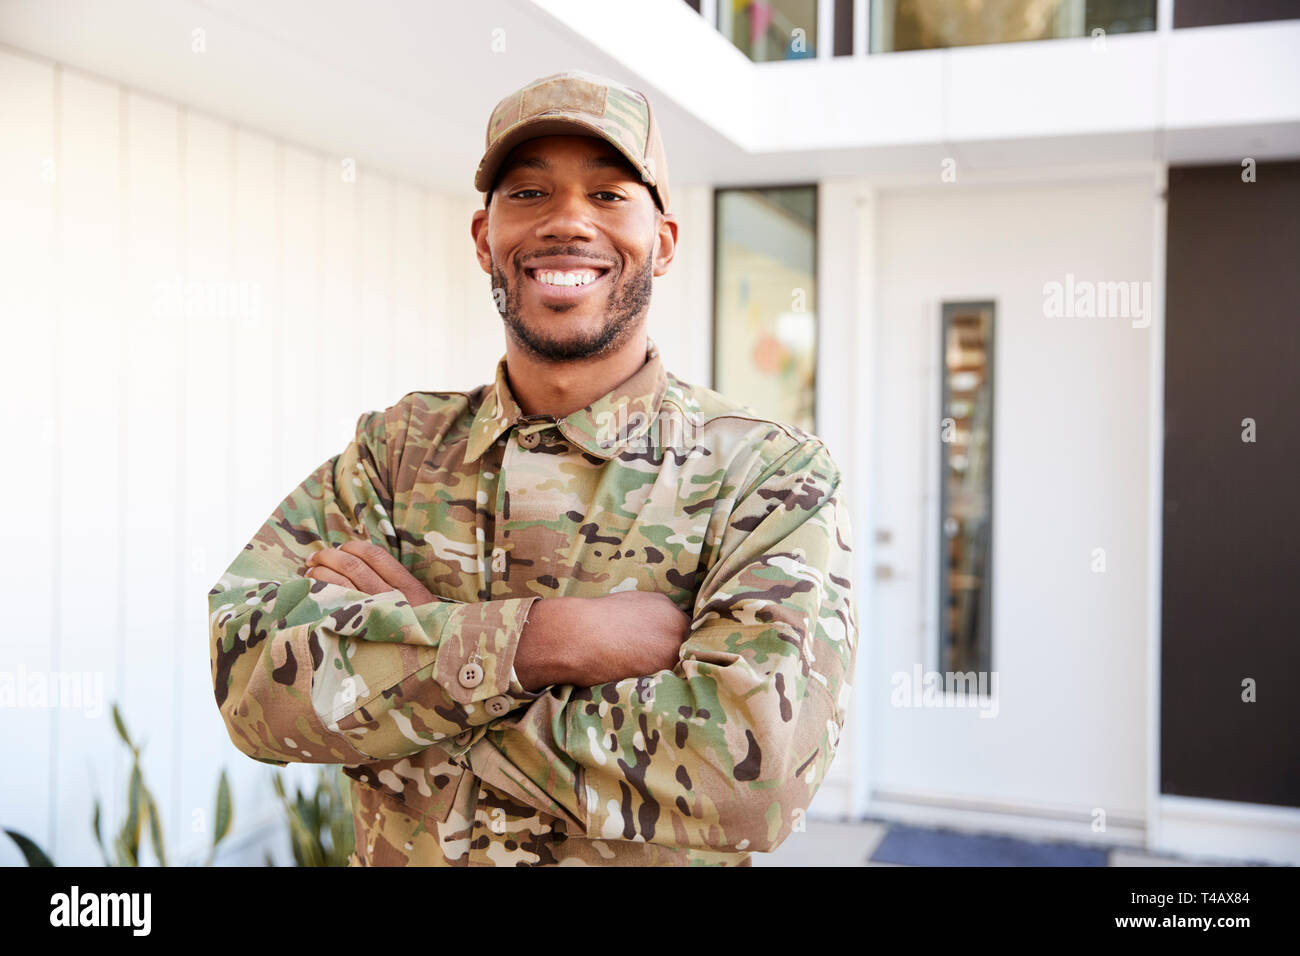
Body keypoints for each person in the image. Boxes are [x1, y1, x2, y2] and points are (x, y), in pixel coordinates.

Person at [208, 69, 857, 866]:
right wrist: (551, 642)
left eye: (611, 194)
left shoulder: (766, 473)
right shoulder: (396, 451)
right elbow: (250, 686)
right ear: (485, 237)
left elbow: (750, 782)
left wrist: (420, 658)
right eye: (528, 193)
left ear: (665, 241)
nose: (567, 222)